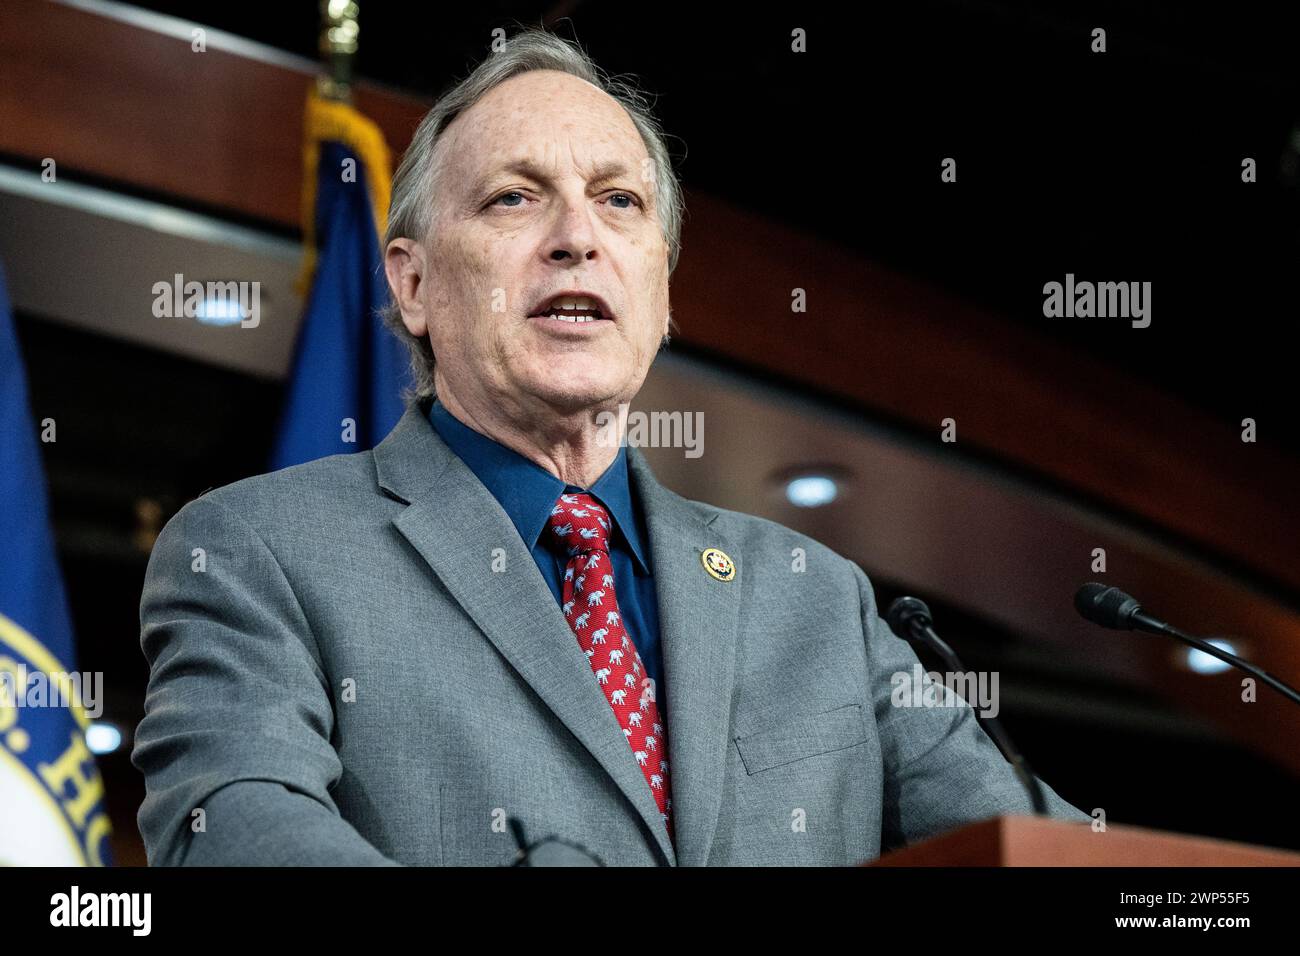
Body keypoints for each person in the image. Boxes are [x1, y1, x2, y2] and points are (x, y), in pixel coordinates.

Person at [132, 28, 1087, 866]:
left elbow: (1039, 855)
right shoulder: (259, 552)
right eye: (514, 198)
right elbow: (234, 828)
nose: (576, 238)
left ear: (662, 293)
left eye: (619, 202)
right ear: (413, 284)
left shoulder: (816, 598)